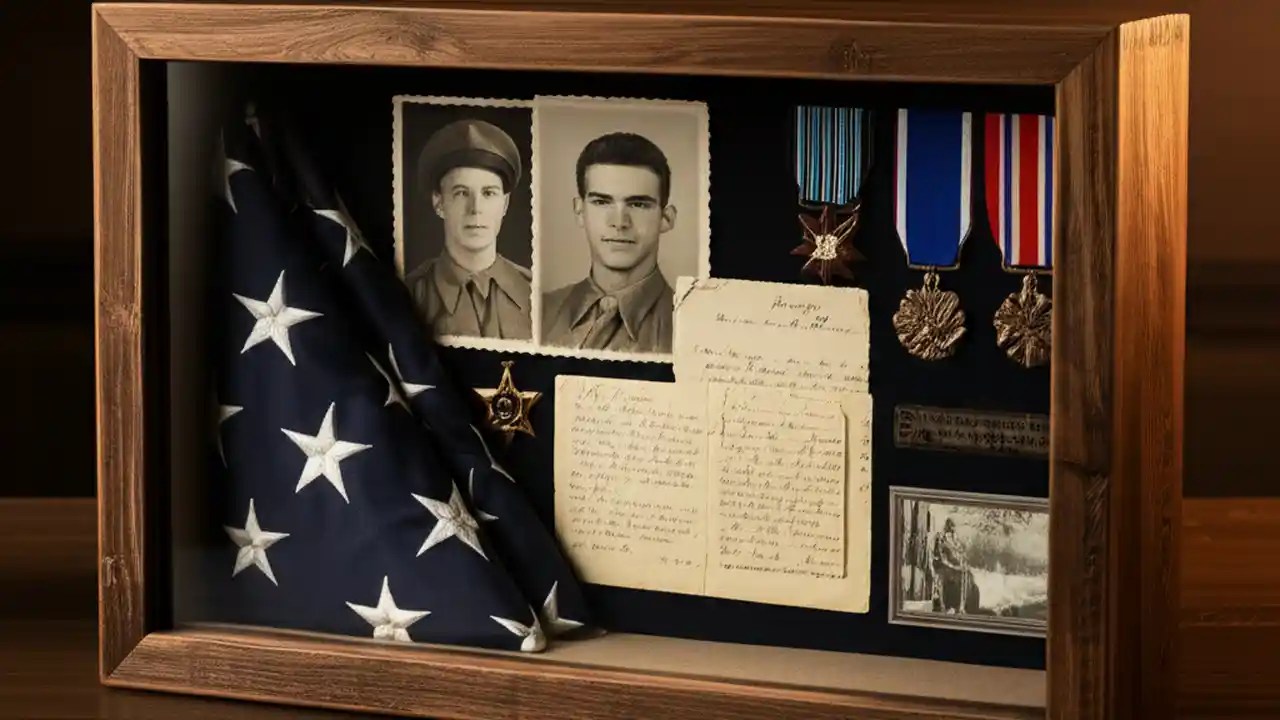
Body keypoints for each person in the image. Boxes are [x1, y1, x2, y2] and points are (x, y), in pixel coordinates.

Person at [540, 132, 677, 353]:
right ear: (579, 211)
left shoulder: (691, 327)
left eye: (638, 204)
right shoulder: (537, 312)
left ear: (666, 218)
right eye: (602, 202)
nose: (619, 222)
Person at [405, 118, 532, 340]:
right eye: (462, 193)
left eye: (489, 193)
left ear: (505, 204)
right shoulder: (410, 294)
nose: (475, 209)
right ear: (439, 203)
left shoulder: (536, 294)